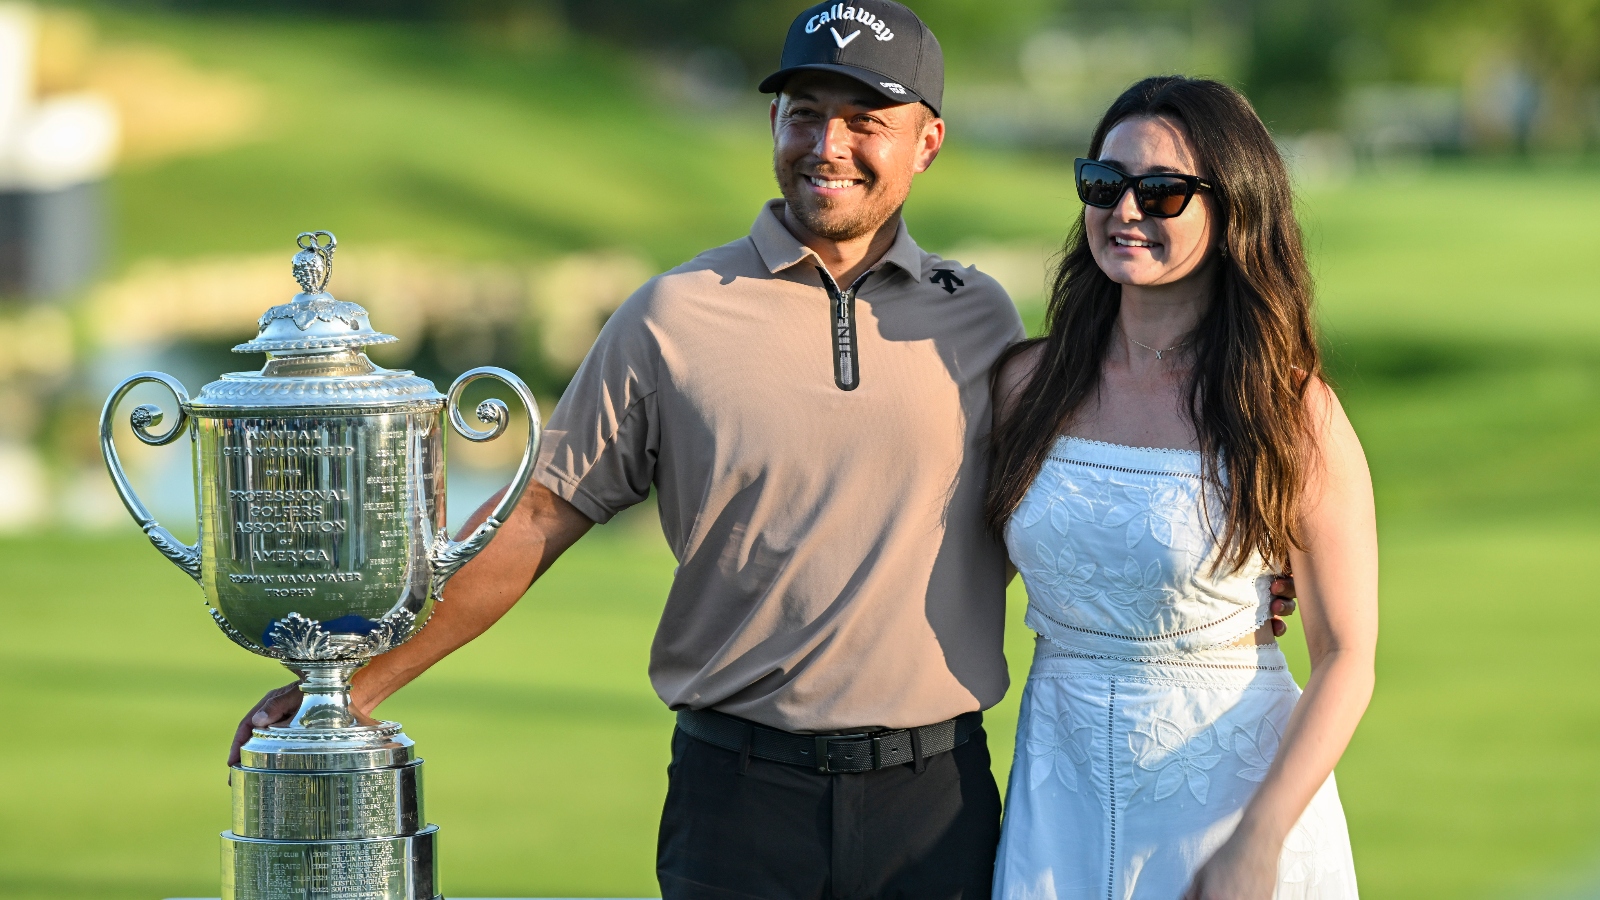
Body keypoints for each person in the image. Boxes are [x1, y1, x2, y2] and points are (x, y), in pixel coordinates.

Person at [231, 6, 1295, 897]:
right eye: (803, 114)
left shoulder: (979, 319)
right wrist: (358, 684)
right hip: (736, 797)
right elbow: (534, 521)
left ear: (925, 141)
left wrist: (1234, 566)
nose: (826, 144)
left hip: (938, 798)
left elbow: (1083, 487)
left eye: (862, 120)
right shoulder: (671, 316)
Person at [986, 75, 1376, 900]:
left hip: (1231, 808)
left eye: (1162, 192)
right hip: (1057, 789)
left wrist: (1258, 845)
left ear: (1234, 208)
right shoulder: (1027, 382)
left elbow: (1346, 657)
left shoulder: (1291, 411)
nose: (1126, 210)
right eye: (1105, 182)